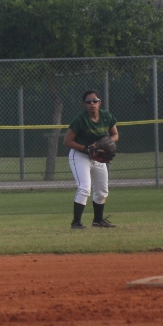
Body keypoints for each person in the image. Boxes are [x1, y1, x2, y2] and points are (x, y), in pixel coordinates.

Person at [63, 89, 119, 229]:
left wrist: (104, 143)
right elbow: (67, 141)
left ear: (100, 102)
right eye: (88, 102)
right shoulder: (80, 119)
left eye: (95, 101)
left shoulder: (106, 116)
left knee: (102, 191)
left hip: (98, 156)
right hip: (80, 155)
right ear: (84, 104)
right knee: (84, 188)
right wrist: (87, 148)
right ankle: (76, 223)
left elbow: (115, 135)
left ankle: (98, 220)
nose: (92, 104)